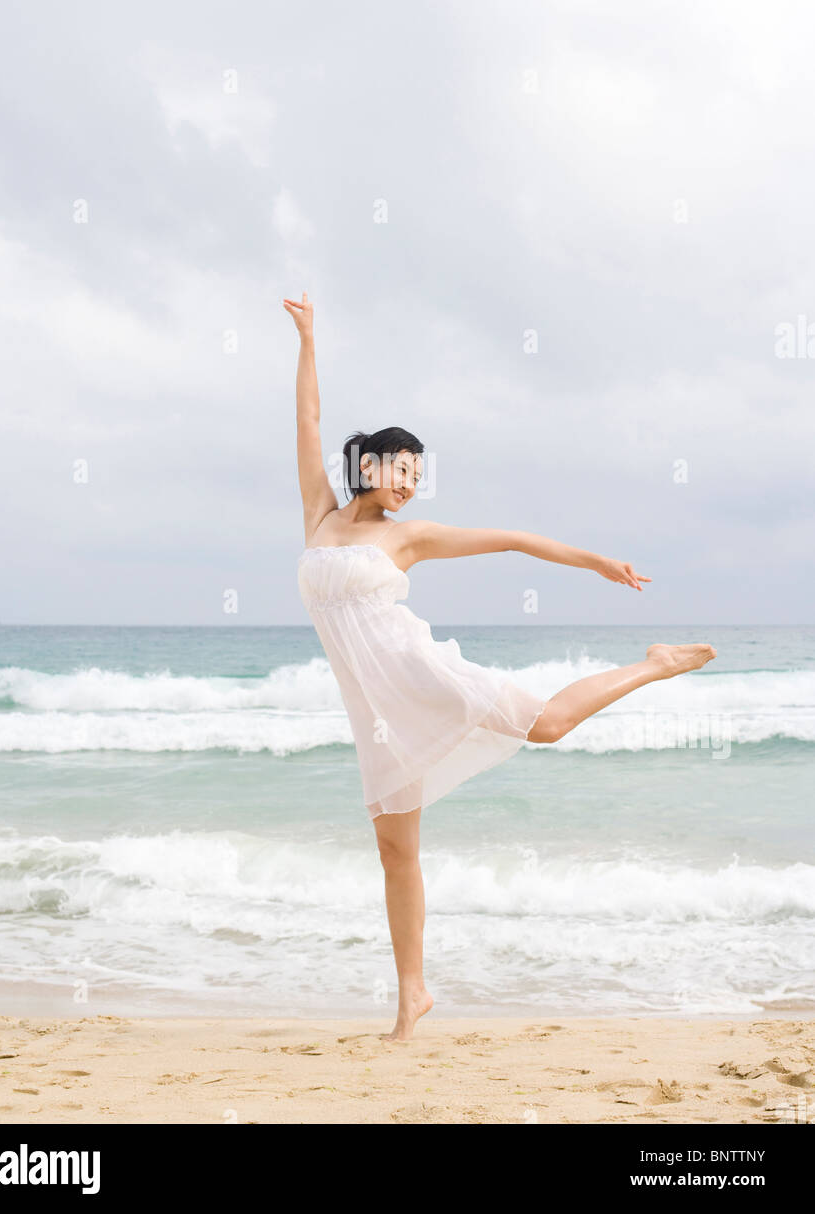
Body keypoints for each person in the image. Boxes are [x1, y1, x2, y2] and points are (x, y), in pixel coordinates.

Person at [284, 291, 716, 1040]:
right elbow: (309, 423)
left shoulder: (408, 536)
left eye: (419, 474)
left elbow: (511, 539)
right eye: (402, 469)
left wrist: (596, 563)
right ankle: (411, 996)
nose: (410, 483)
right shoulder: (320, 517)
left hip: (423, 676)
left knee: (546, 726)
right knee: (395, 851)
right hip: (378, 714)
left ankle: (652, 664)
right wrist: (309, 341)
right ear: (370, 465)